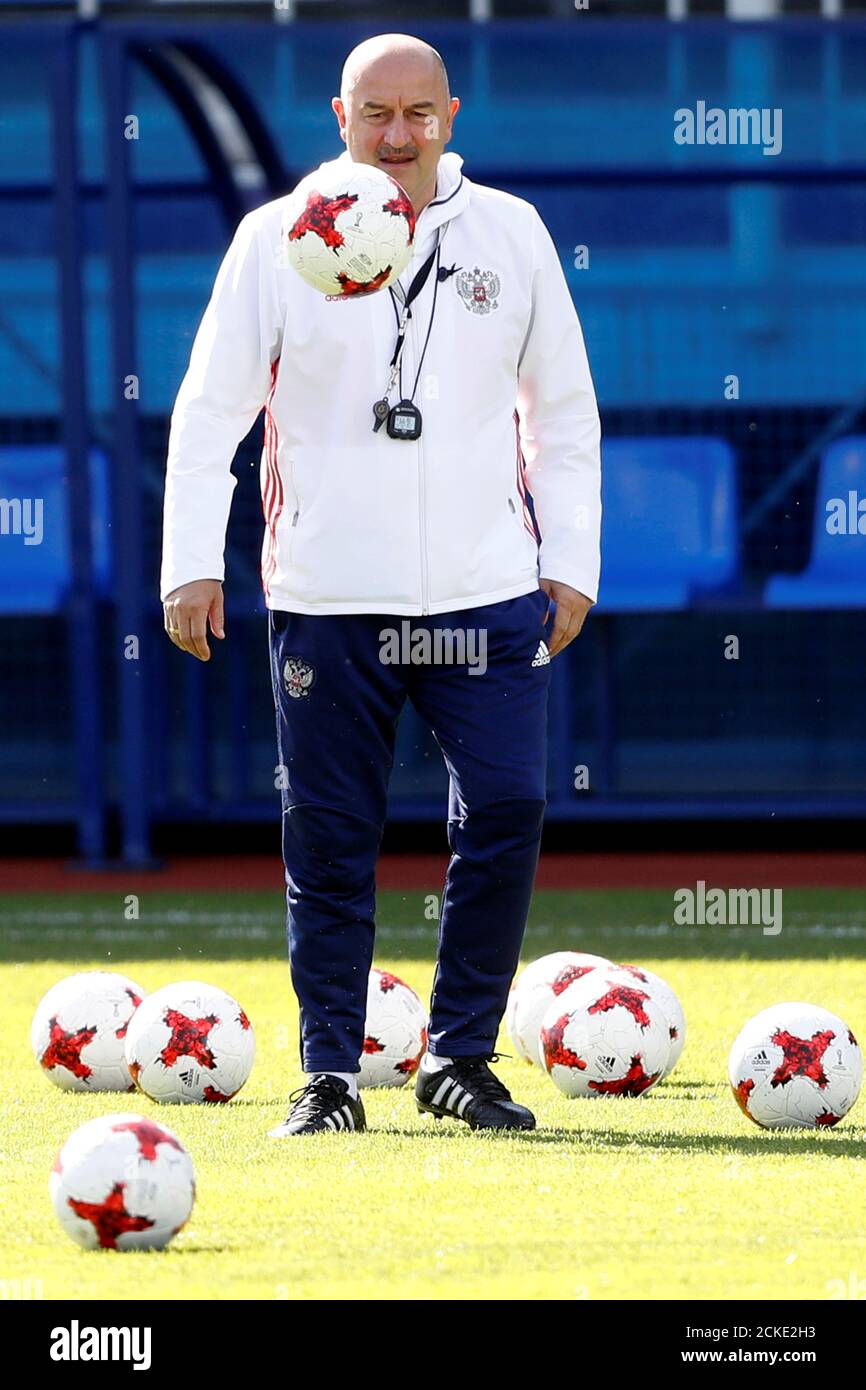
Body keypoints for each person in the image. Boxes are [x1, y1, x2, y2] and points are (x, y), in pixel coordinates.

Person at [160, 33, 601, 1136]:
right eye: (374, 115)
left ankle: (458, 1057)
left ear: (450, 112)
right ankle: (327, 1075)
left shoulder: (513, 232)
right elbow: (210, 410)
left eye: (417, 112)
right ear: (338, 116)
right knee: (328, 833)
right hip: (326, 593)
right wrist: (190, 564)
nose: (397, 135)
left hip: (485, 589)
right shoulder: (274, 239)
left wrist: (569, 563)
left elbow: (563, 412)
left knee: (507, 805)